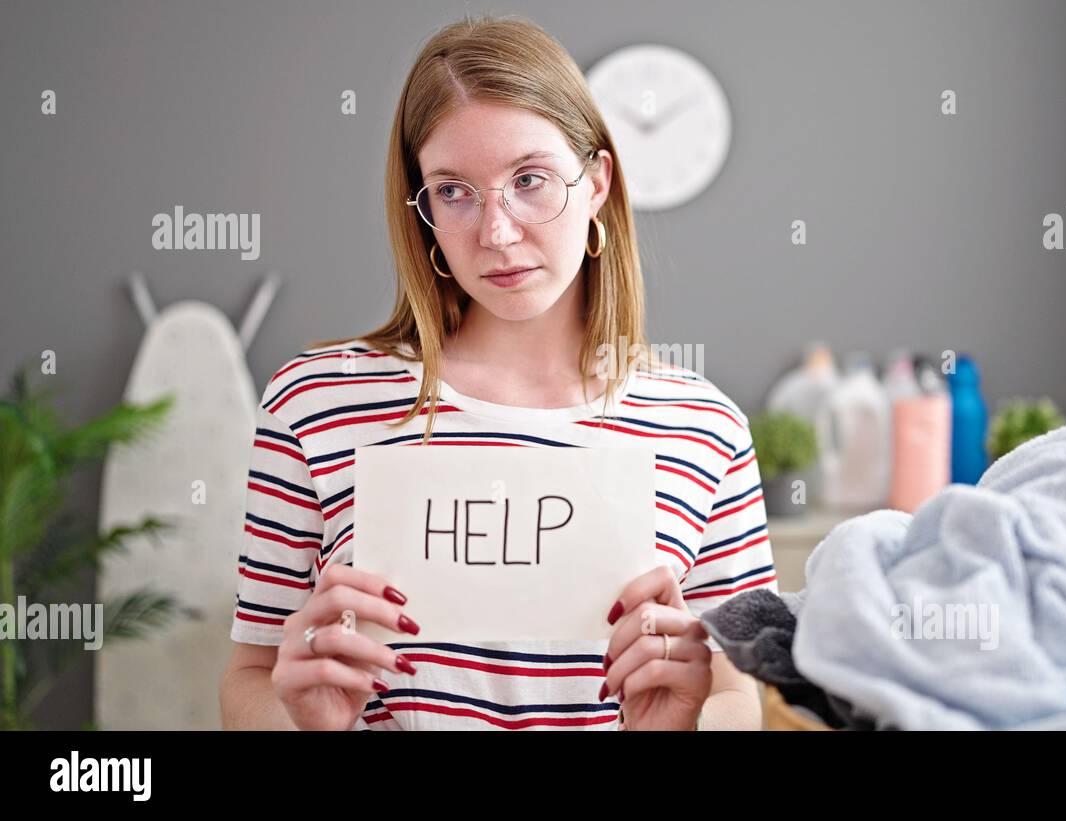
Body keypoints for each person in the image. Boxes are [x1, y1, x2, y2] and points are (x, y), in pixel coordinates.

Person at [218, 14, 777, 730]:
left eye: (531, 179)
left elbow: (736, 694)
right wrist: (308, 723)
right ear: (422, 213)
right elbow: (249, 677)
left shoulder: (706, 428)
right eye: (453, 192)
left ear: (598, 182)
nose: (498, 232)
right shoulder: (314, 401)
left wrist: (674, 722)